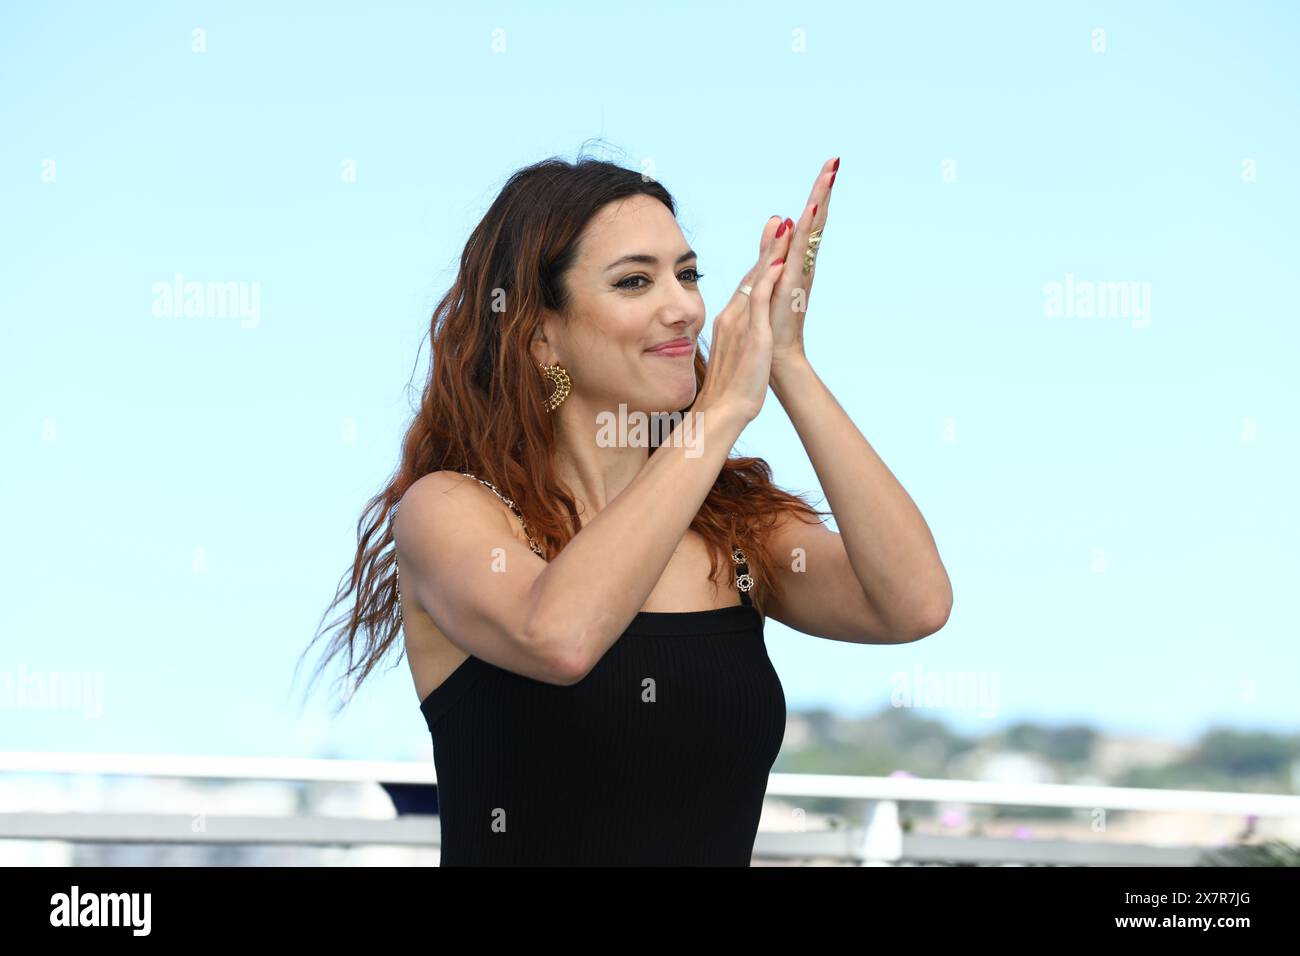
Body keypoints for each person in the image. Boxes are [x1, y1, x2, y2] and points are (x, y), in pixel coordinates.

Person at [303, 152, 952, 865]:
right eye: (635, 281)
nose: (683, 306)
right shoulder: (452, 513)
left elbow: (913, 603)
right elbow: (561, 638)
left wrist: (787, 360)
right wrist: (720, 412)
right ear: (540, 334)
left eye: (688, 274)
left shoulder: (730, 527)